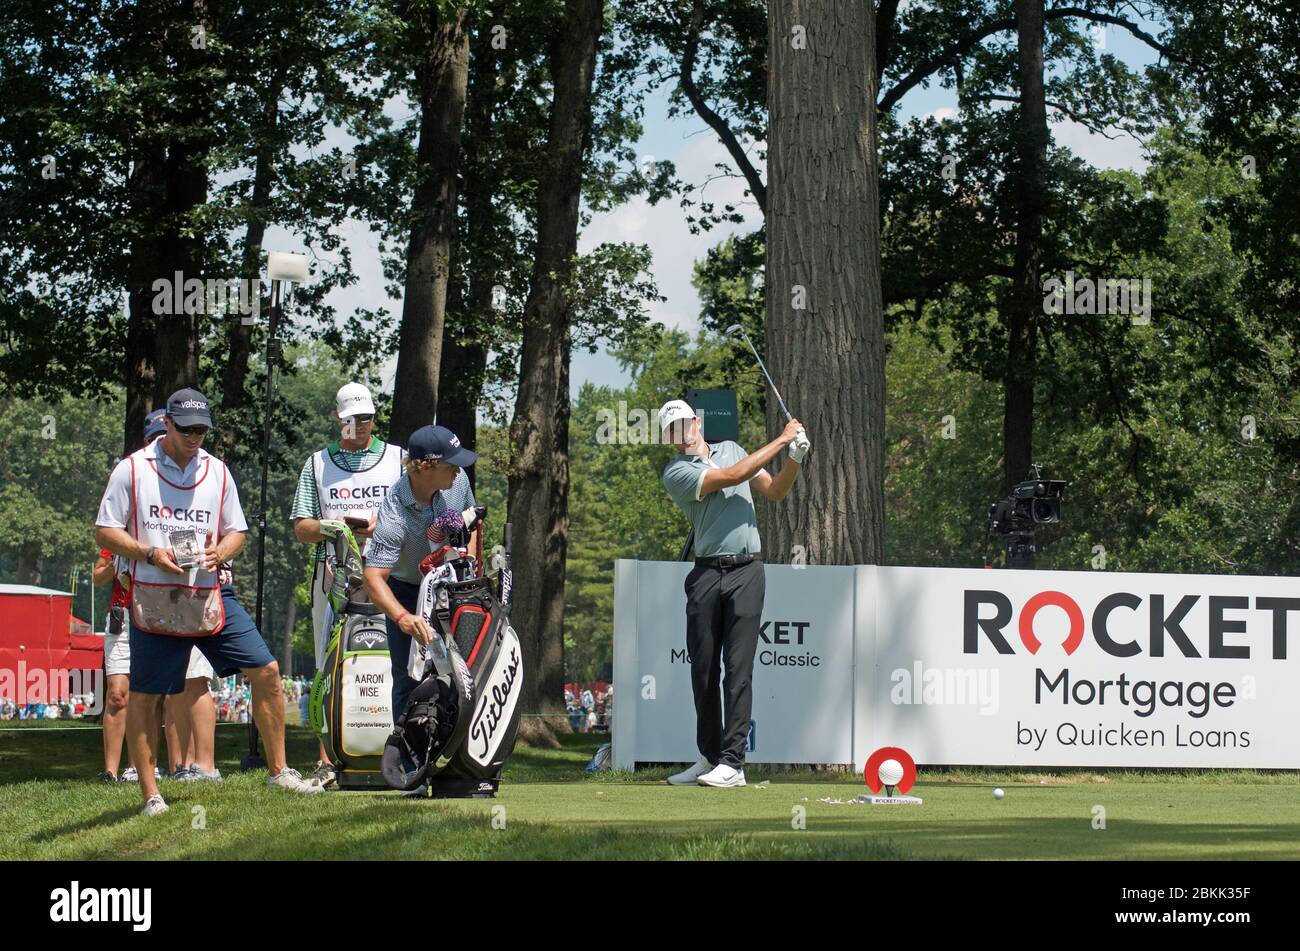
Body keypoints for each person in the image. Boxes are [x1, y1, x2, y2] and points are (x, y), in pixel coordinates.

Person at [95, 387, 321, 816]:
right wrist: (148, 552)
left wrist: (223, 551)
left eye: (202, 429)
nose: (195, 437)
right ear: (166, 424)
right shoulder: (132, 470)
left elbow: (237, 530)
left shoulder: (217, 471)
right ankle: (151, 796)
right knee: (145, 696)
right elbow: (105, 531)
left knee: (268, 670)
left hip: (211, 594)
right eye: (186, 429)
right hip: (155, 599)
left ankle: (279, 773)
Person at [658, 398, 809, 788]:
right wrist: (781, 440)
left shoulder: (732, 448)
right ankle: (709, 758)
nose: (680, 433)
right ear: (668, 438)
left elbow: (774, 491)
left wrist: (794, 458)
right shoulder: (676, 472)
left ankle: (733, 764)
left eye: (684, 423)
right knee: (703, 671)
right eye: (671, 429)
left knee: (738, 671)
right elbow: (729, 477)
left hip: (746, 571)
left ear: (697, 422)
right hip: (706, 573)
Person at [93, 408, 221, 784]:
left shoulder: (199, 486)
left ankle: (182, 766)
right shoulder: (130, 497)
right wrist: (130, 556)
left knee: (176, 689)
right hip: (124, 609)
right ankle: (120, 770)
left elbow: (223, 537)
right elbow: (99, 569)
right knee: (124, 693)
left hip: (183, 601)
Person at [291, 381, 403, 787]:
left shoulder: (398, 460)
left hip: (390, 574)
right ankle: (327, 760)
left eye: (367, 419)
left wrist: (382, 525)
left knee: (399, 661)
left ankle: (397, 754)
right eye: (352, 420)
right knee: (328, 665)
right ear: (337, 419)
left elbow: (419, 509)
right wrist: (333, 527)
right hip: (333, 578)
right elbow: (301, 526)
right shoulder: (318, 463)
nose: (360, 426)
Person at [362, 424, 477, 732]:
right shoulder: (395, 510)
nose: (459, 469)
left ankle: (456, 756)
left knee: (463, 672)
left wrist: (470, 568)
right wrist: (402, 618)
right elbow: (373, 576)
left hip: (455, 589)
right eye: (451, 463)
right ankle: (407, 765)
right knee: (408, 678)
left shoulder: (459, 479)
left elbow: (472, 521)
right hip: (408, 594)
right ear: (427, 465)